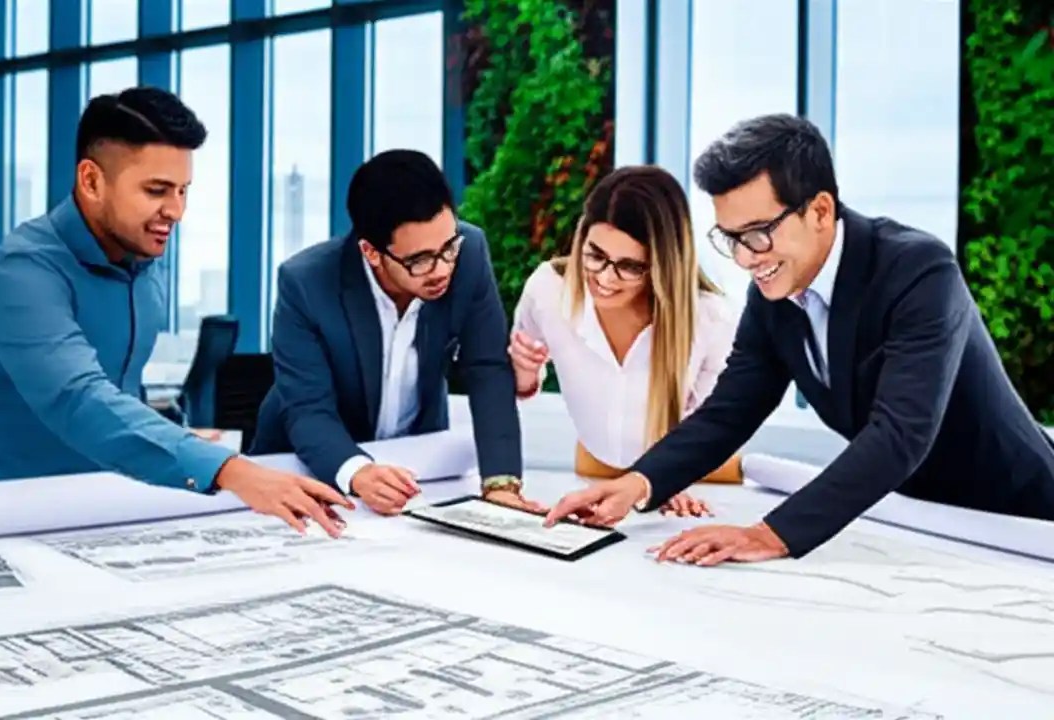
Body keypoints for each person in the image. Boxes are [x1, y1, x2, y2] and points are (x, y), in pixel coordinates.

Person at [544, 113, 1054, 564]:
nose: (745, 258)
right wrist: (637, 483)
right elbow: (730, 411)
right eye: (731, 239)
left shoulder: (919, 271)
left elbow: (899, 434)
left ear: (820, 211)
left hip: (1025, 520)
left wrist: (770, 535)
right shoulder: (773, 294)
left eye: (758, 233)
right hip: (922, 522)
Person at [0, 87, 352, 536]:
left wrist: (182, 435)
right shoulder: (23, 271)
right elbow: (79, 398)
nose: (175, 210)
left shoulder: (142, 261)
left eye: (182, 190)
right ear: (92, 181)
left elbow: (122, 386)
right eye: (156, 190)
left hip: (95, 500)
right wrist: (231, 471)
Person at [249, 149, 537, 516]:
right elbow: (307, 409)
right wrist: (358, 471)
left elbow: (487, 369)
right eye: (420, 260)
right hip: (311, 467)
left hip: (415, 467)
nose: (441, 269)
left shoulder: (469, 253)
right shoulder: (306, 282)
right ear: (371, 252)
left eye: (448, 247)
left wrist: (502, 485)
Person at [508, 166, 737, 518]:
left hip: (692, 473)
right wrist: (524, 373)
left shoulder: (710, 320)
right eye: (595, 255)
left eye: (630, 266)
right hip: (594, 466)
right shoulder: (547, 289)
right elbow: (519, 384)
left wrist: (667, 478)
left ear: (663, 264)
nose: (604, 278)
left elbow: (707, 428)